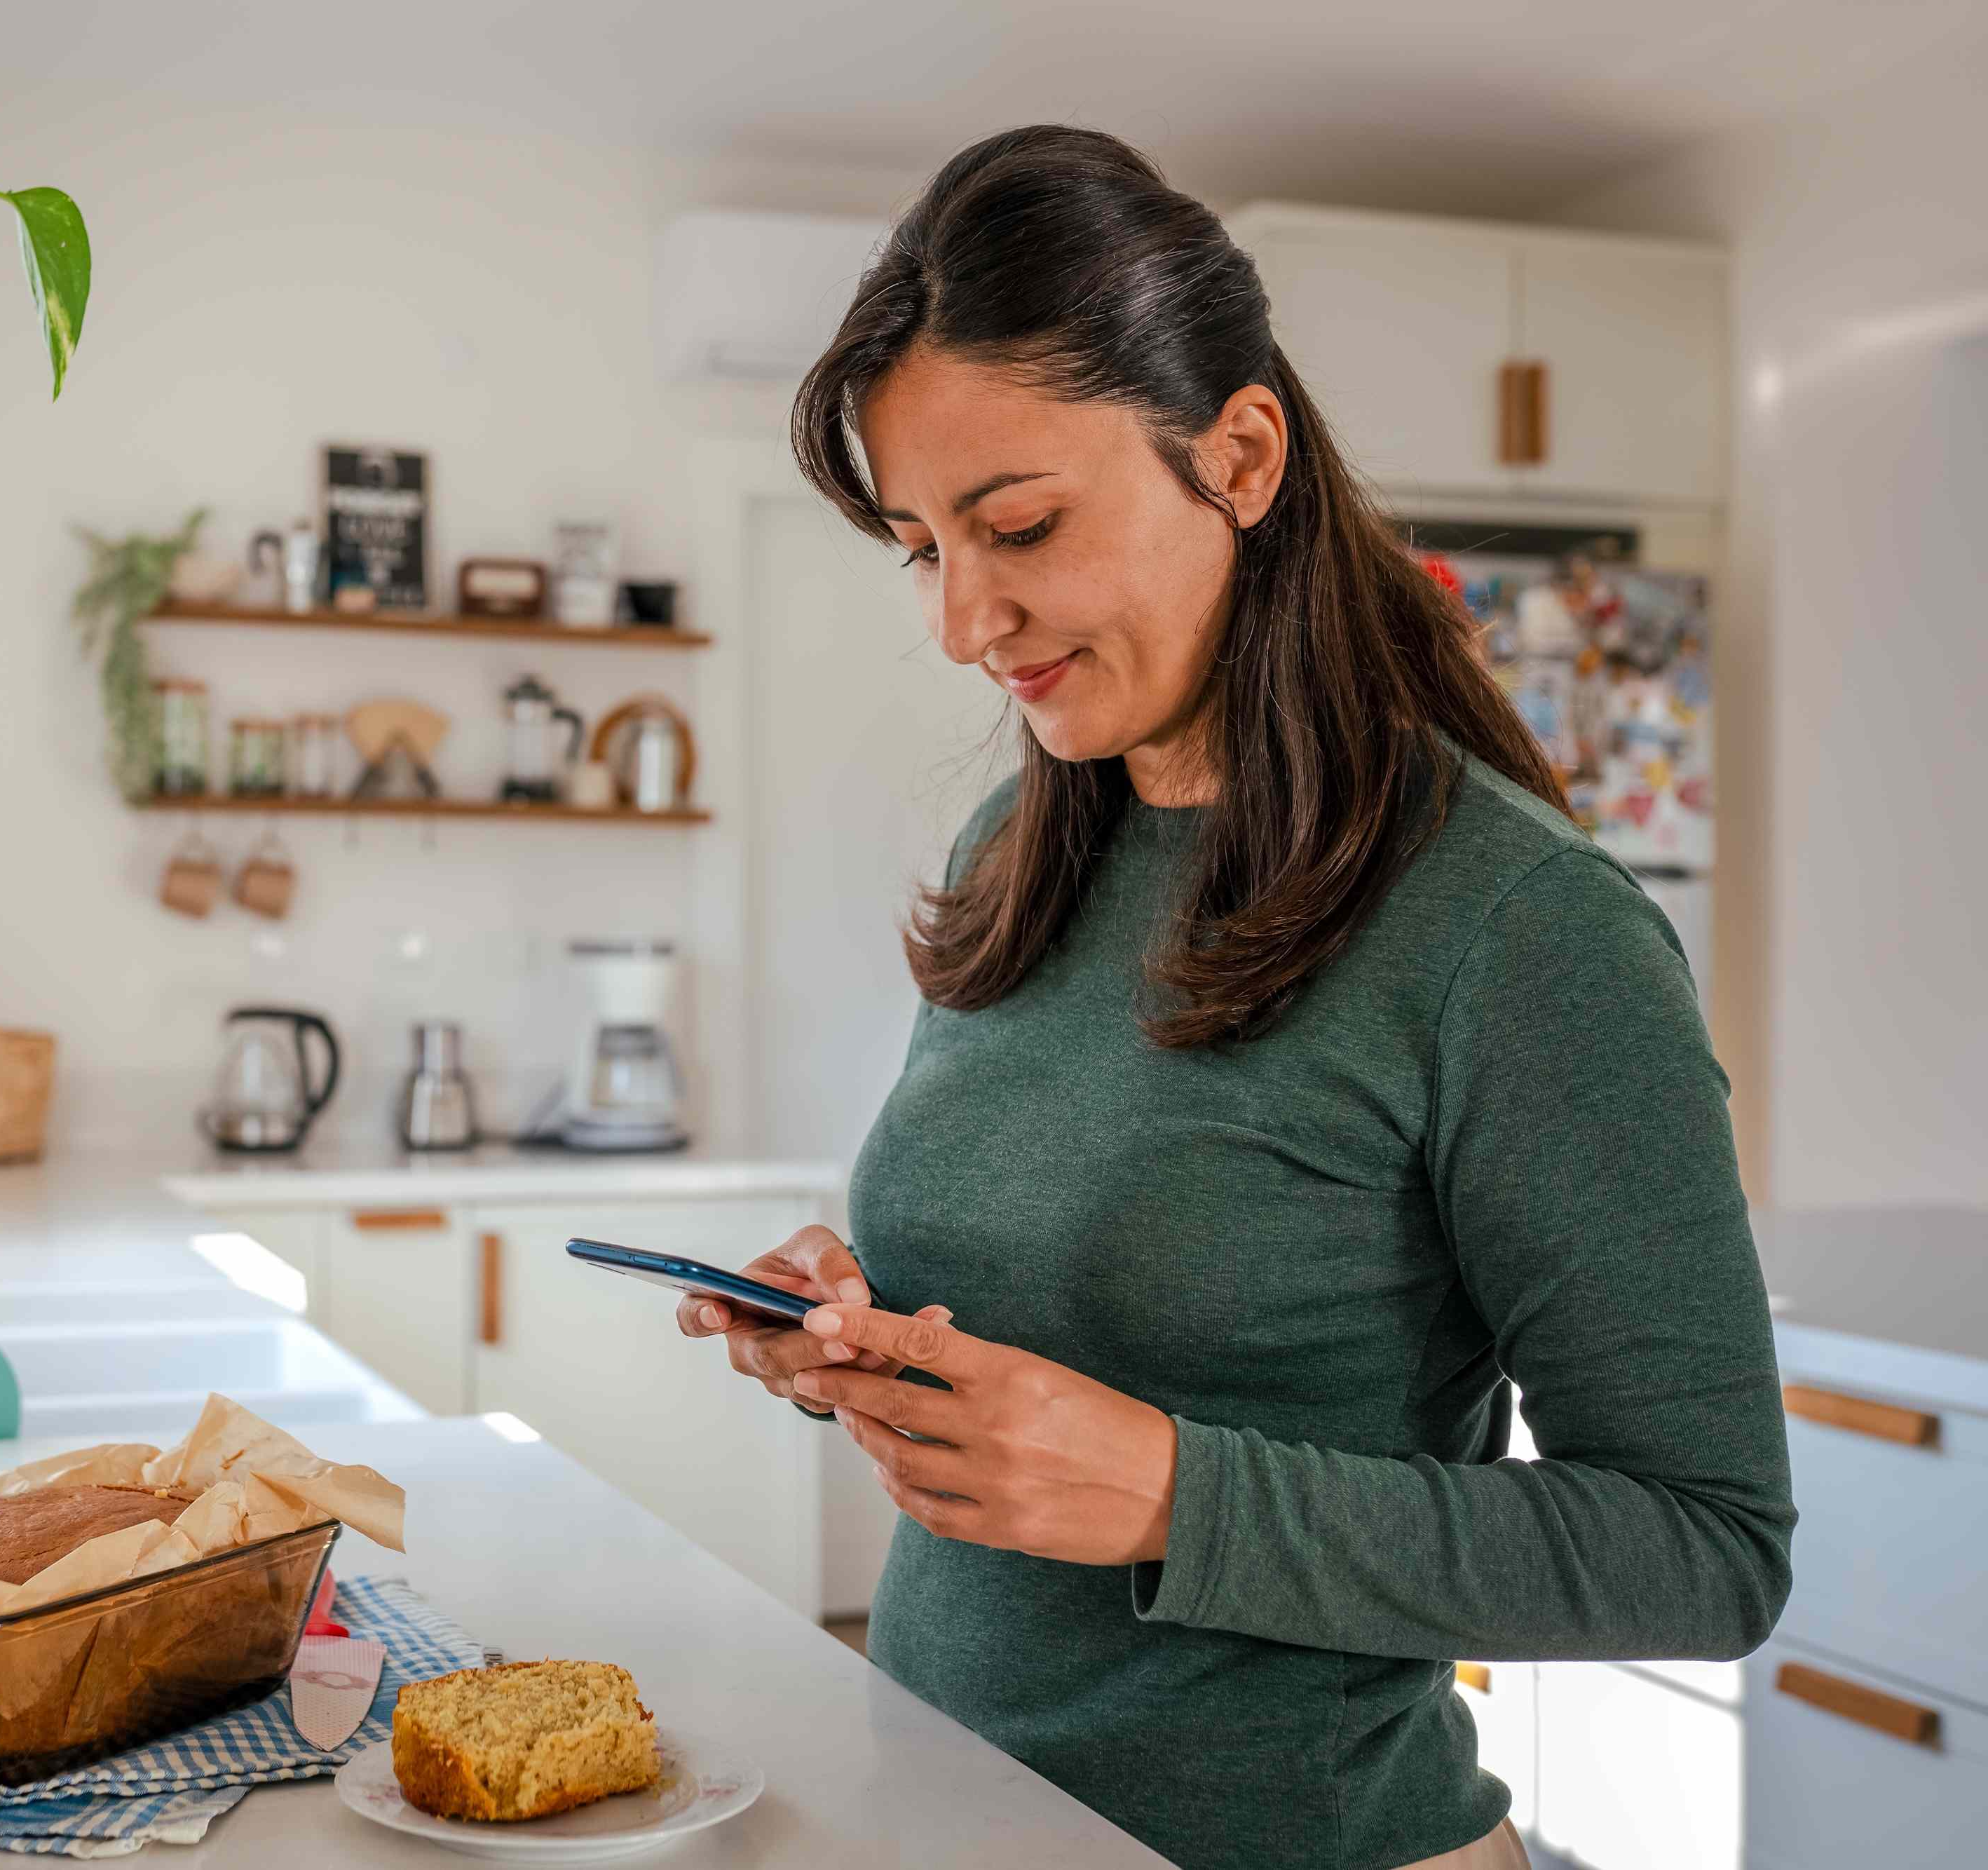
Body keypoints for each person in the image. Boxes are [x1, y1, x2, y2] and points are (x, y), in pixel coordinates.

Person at [676, 126, 1792, 1870]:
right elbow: (1106, 1287)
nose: (963, 620)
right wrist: (855, 1329)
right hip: (947, 1813)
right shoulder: (1022, 842)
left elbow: (1700, 1544)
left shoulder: (1516, 928)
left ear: (1242, 455)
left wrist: (1174, 1495)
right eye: (917, 548)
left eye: (1019, 523)